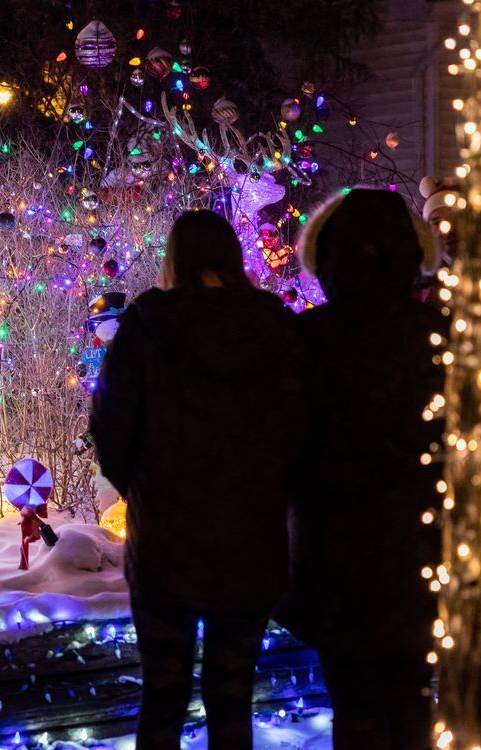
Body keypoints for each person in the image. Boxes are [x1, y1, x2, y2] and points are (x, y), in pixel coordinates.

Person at [90, 210, 304, 748]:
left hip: (166, 543)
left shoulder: (144, 324)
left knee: (162, 696)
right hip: (251, 544)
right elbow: (302, 427)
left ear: (174, 258)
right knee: (233, 695)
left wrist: (142, 488)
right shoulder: (275, 325)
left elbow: (110, 426)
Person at [287, 188, 445, 750]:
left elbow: (282, 451)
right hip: (421, 554)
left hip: (333, 559)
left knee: (353, 707)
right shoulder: (439, 340)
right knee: (411, 699)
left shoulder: (305, 340)